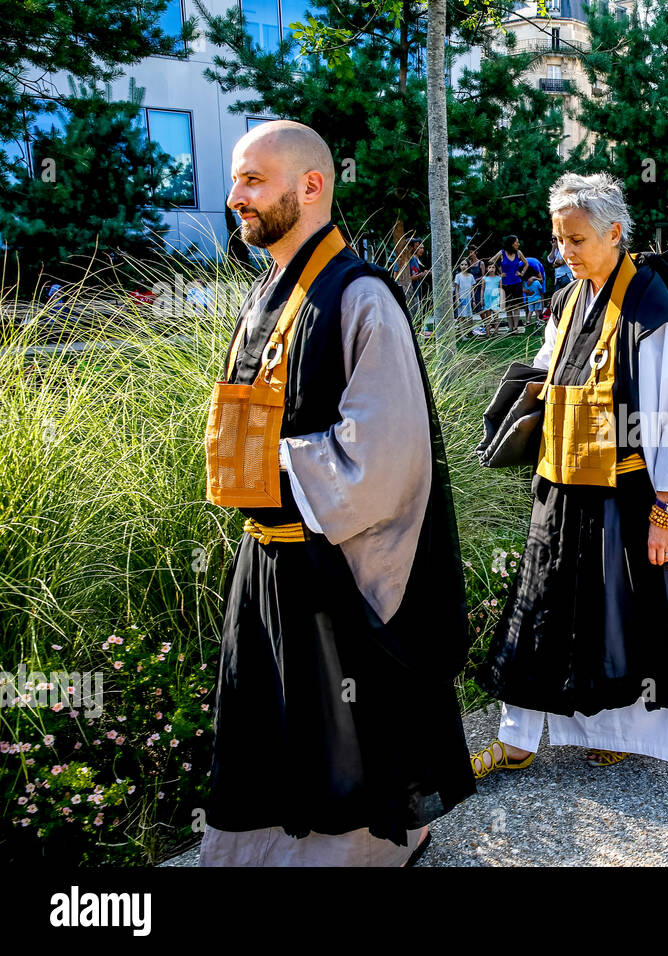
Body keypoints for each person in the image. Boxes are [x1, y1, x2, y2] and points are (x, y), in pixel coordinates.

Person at [200, 120, 473, 866]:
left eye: (253, 181)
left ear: (311, 185)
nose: (235, 198)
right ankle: (260, 851)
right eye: (236, 181)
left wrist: (262, 461)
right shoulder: (268, 291)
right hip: (267, 558)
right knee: (269, 716)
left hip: (331, 563)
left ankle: (361, 852)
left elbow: (382, 457)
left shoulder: (361, 298)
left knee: (345, 719)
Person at [472, 172, 668, 772]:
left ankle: (622, 732)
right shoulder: (567, 300)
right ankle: (518, 737)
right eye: (559, 239)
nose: (564, 252)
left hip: (628, 496)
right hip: (560, 489)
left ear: (614, 232)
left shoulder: (653, 312)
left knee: (622, 614)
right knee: (540, 605)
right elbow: (548, 379)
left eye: (576, 240)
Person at [491, 235, 528, 334]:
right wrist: (499, 273)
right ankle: (510, 328)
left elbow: (526, 263)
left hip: (516, 283)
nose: (518, 244)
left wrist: (522, 273)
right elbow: (492, 261)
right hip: (505, 283)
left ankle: (515, 328)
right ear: (512, 243)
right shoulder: (502, 253)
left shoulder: (518, 253)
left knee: (516, 306)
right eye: (517, 242)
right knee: (508, 307)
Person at [479, 261, 502, 335]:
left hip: (495, 298)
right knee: (488, 316)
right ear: (486, 269)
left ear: (495, 269)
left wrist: (501, 299)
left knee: (496, 316)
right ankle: (488, 333)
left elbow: (500, 289)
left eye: (493, 267)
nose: (491, 269)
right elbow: (482, 289)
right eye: (489, 267)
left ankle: (496, 332)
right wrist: (481, 299)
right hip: (487, 298)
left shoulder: (498, 278)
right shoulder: (485, 278)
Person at [454, 259, 475, 337]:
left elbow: (472, 288)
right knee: (462, 316)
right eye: (462, 264)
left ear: (468, 266)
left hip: (469, 299)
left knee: (469, 316)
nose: (464, 266)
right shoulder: (458, 276)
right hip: (462, 298)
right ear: (459, 266)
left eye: (465, 264)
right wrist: (457, 299)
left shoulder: (471, 276)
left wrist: (473, 299)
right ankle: (462, 334)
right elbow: (456, 289)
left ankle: (469, 332)